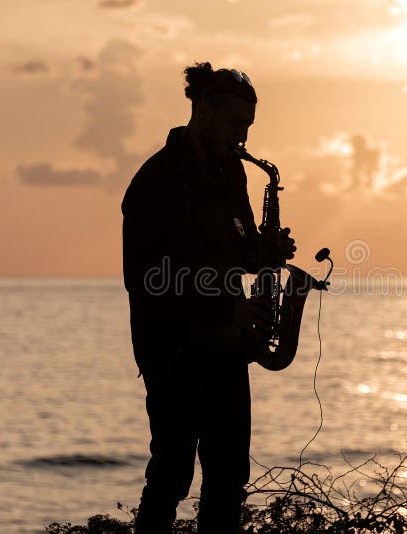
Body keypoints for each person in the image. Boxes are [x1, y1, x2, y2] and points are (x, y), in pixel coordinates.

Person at [121, 62, 296, 533]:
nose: (242, 137)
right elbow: (147, 280)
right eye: (235, 123)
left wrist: (265, 251)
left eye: (248, 126)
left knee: (228, 478)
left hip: (226, 347)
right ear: (203, 111)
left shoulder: (230, 172)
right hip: (173, 352)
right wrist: (225, 306)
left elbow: (240, 252)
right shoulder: (155, 181)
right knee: (171, 477)